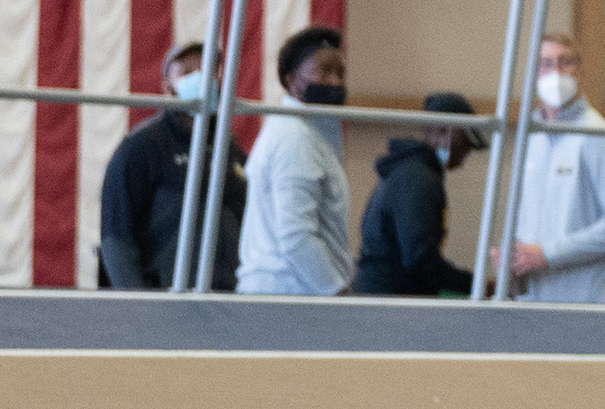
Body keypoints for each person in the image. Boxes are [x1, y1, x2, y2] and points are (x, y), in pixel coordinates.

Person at [498, 33, 605, 303]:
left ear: (579, 70)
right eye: (545, 63)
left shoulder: (600, 135)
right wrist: (514, 258)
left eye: (564, 62)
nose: (555, 71)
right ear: (532, 73)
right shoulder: (531, 136)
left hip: (583, 303)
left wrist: (547, 254)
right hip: (532, 302)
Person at [98, 41, 247, 290]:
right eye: (187, 71)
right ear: (168, 87)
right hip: (166, 302)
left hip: (228, 300)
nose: (201, 77)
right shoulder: (140, 148)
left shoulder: (231, 151)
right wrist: (141, 305)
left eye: (209, 69)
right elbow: (116, 240)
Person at [236, 26, 353, 295]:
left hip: (293, 292)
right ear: (291, 80)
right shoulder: (295, 137)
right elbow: (297, 237)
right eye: (324, 71)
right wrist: (337, 292)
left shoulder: (310, 133)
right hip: (289, 295)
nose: (335, 82)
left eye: (340, 73)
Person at [352, 91, 488, 296]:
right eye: (465, 142)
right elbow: (420, 260)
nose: (466, 153)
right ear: (443, 131)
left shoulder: (409, 170)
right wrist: (476, 284)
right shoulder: (418, 179)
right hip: (393, 301)